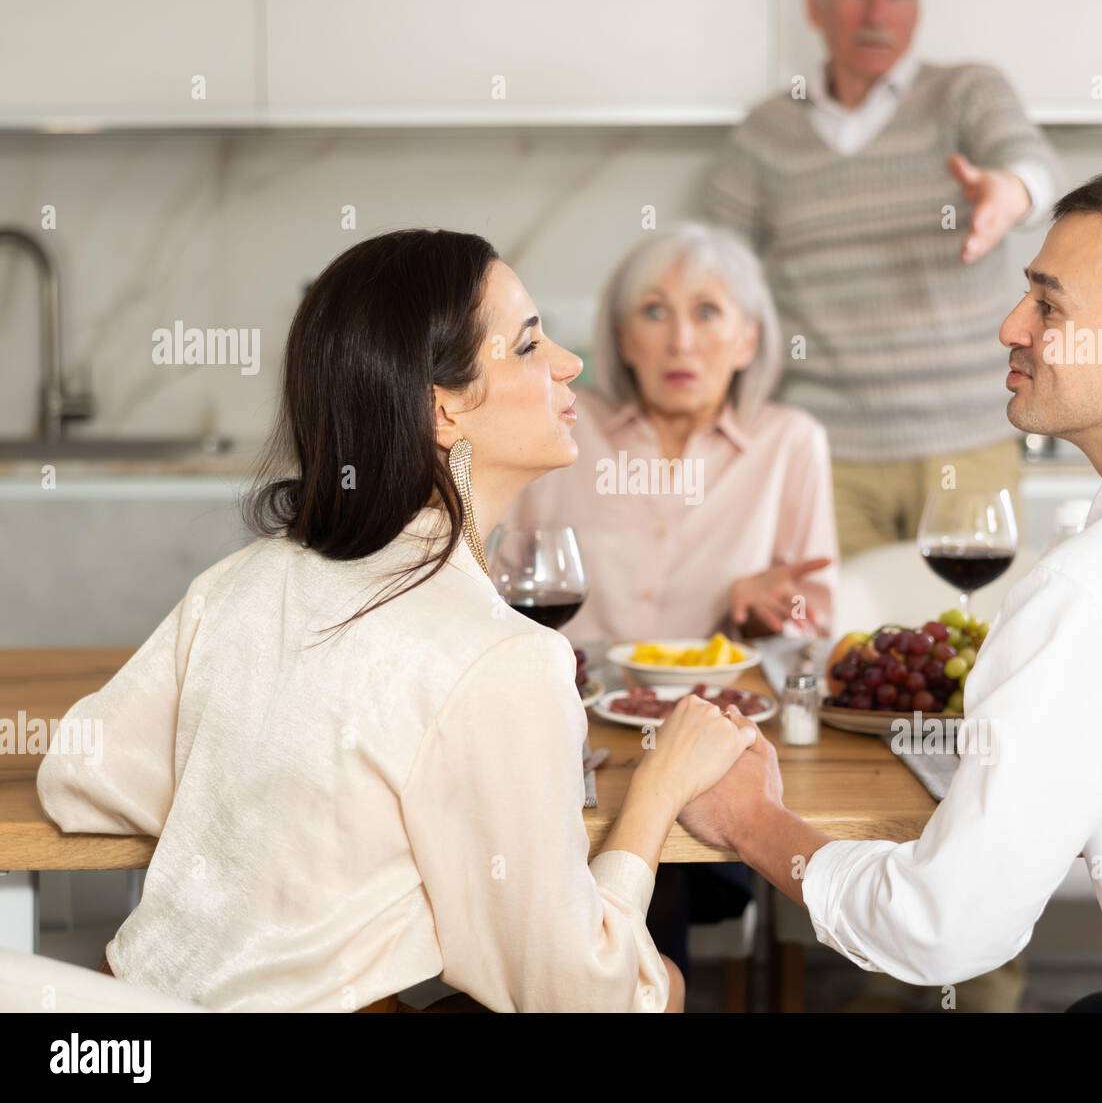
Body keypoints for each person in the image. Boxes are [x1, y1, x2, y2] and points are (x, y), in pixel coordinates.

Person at [36, 229, 758, 1013]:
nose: (569, 363)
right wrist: (657, 791)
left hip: (127, 1025)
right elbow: (583, 997)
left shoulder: (241, 583)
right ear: (442, 408)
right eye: (526, 346)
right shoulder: (504, 657)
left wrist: (293, 817)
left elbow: (81, 777)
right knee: (665, 988)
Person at [679, 163, 1102, 1011]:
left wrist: (748, 821)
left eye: (1050, 306)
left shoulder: (1093, 589)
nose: (1011, 326)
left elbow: (942, 930)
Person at [507, 223, 838, 978]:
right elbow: (499, 589)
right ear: (621, 336)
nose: (680, 341)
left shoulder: (791, 443)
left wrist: (766, 608)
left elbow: (812, 635)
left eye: (708, 313)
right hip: (566, 743)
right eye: (654, 312)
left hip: (713, 756)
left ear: (749, 339)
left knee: (657, 864)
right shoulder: (562, 428)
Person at [704, 0, 1064, 558]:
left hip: (967, 445)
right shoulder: (765, 134)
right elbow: (720, 281)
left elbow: (1035, 163)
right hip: (827, 455)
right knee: (844, 644)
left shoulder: (964, 94)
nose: (878, 12)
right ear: (815, 7)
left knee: (970, 642)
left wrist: (1011, 192)